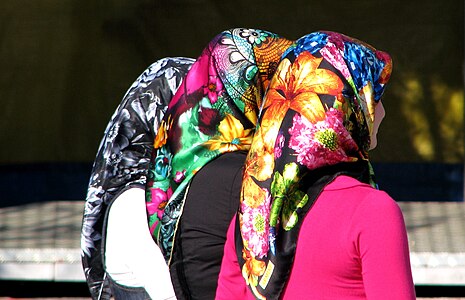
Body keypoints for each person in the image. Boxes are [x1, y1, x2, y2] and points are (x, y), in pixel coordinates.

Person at [215, 31, 416, 299]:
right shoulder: (373, 212)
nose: (381, 112)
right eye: (375, 98)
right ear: (345, 107)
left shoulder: (253, 216)